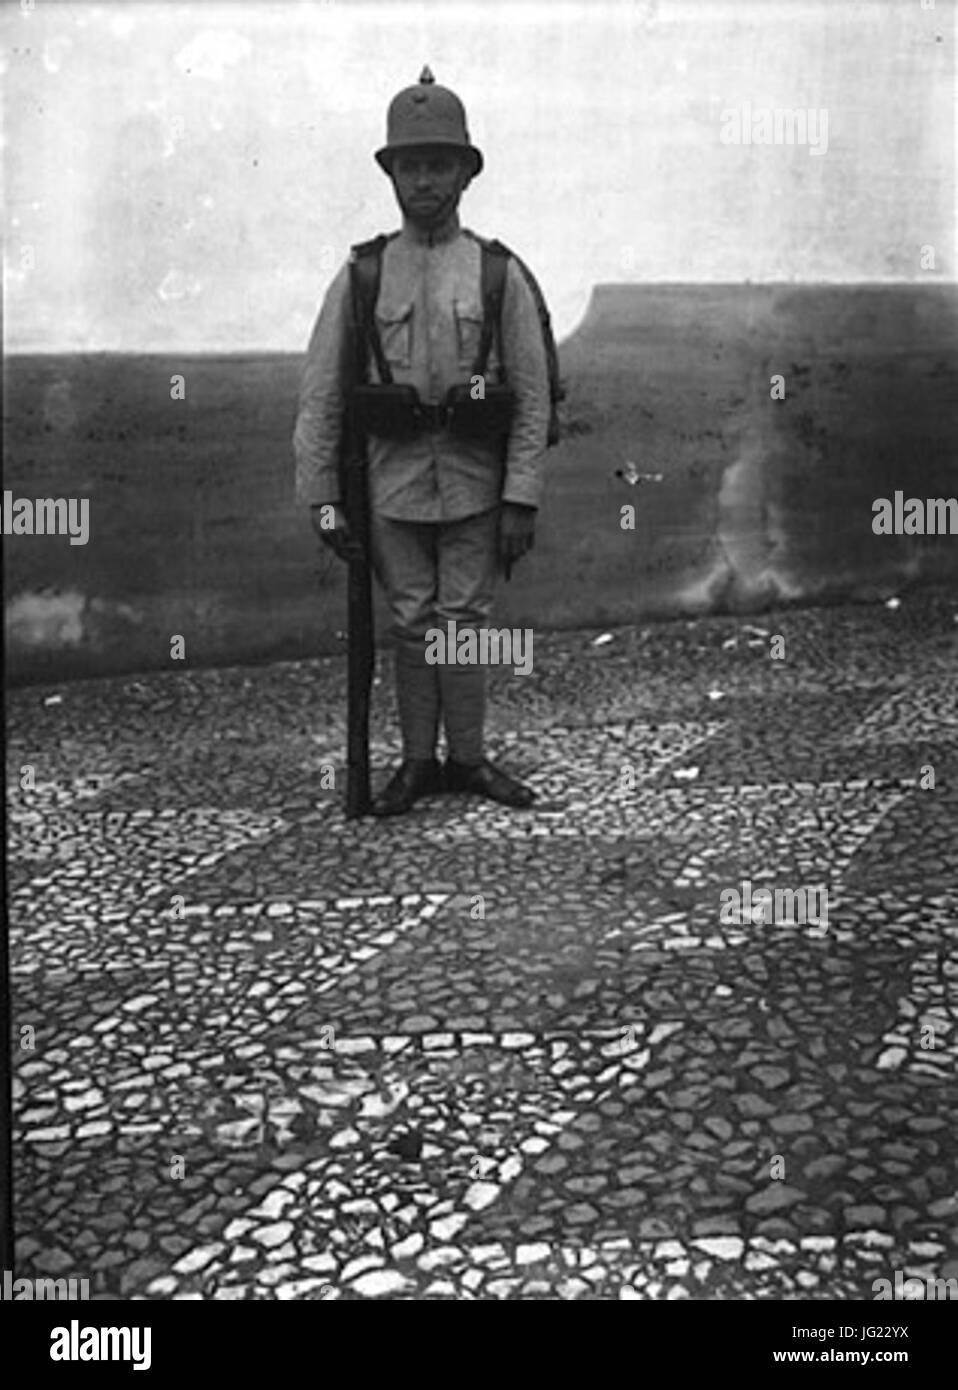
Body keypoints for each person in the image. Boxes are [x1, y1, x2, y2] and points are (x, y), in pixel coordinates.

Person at [293, 68, 551, 817]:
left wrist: (521, 496)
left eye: (441, 164)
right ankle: (415, 763)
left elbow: (532, 396)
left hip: (476, 479)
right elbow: (321, 391)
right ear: (392, 175)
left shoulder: (499, 274)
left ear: (466, 174)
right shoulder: (364, 274)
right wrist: (322, 498)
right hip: (391, 482)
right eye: (412, 165)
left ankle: (467, 760)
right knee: (411, 622)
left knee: (463, 624)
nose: (426, 180)